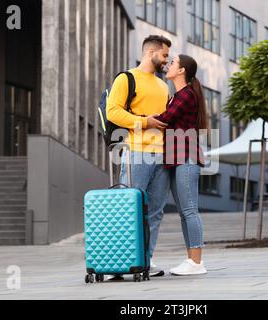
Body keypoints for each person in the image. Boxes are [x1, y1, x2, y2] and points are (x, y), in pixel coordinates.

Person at [106, 35, 172, 278]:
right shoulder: (127, 78)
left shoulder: (164, 86)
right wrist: (145, 122)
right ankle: (122, 262)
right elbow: (113, 113)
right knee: (129, 207)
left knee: (155, 210)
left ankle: (146, 260)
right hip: (136, 152)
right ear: (150, 52)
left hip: (161, 155)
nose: (167, 60)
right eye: (164, 55)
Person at [154, 54, 208, 276]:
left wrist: (139, 119)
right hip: (178, 159)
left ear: (182, 70)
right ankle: (191, 260)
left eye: (173, 63)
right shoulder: (177, 95)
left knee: (189, 210)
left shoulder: (186, 95)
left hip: (187, 158)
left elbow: (166, 118)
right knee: (185, 212)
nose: (168, 65)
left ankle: (196, 263)